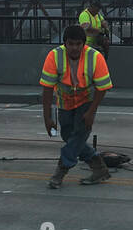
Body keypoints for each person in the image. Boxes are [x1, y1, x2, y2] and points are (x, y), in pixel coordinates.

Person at [40, 25, 113, 188]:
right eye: (70, 44)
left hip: (86, 101)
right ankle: (99, 167)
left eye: (78, 44)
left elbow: (103, 88)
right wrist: (47, 118)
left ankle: (61, 170)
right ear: (64, 43)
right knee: (68, 136)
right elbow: (47, 89)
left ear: (84, 44)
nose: (74, 48)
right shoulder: (53, 56)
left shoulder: (95, 57)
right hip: (65, 101)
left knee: (79, 134)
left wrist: (91, 112)